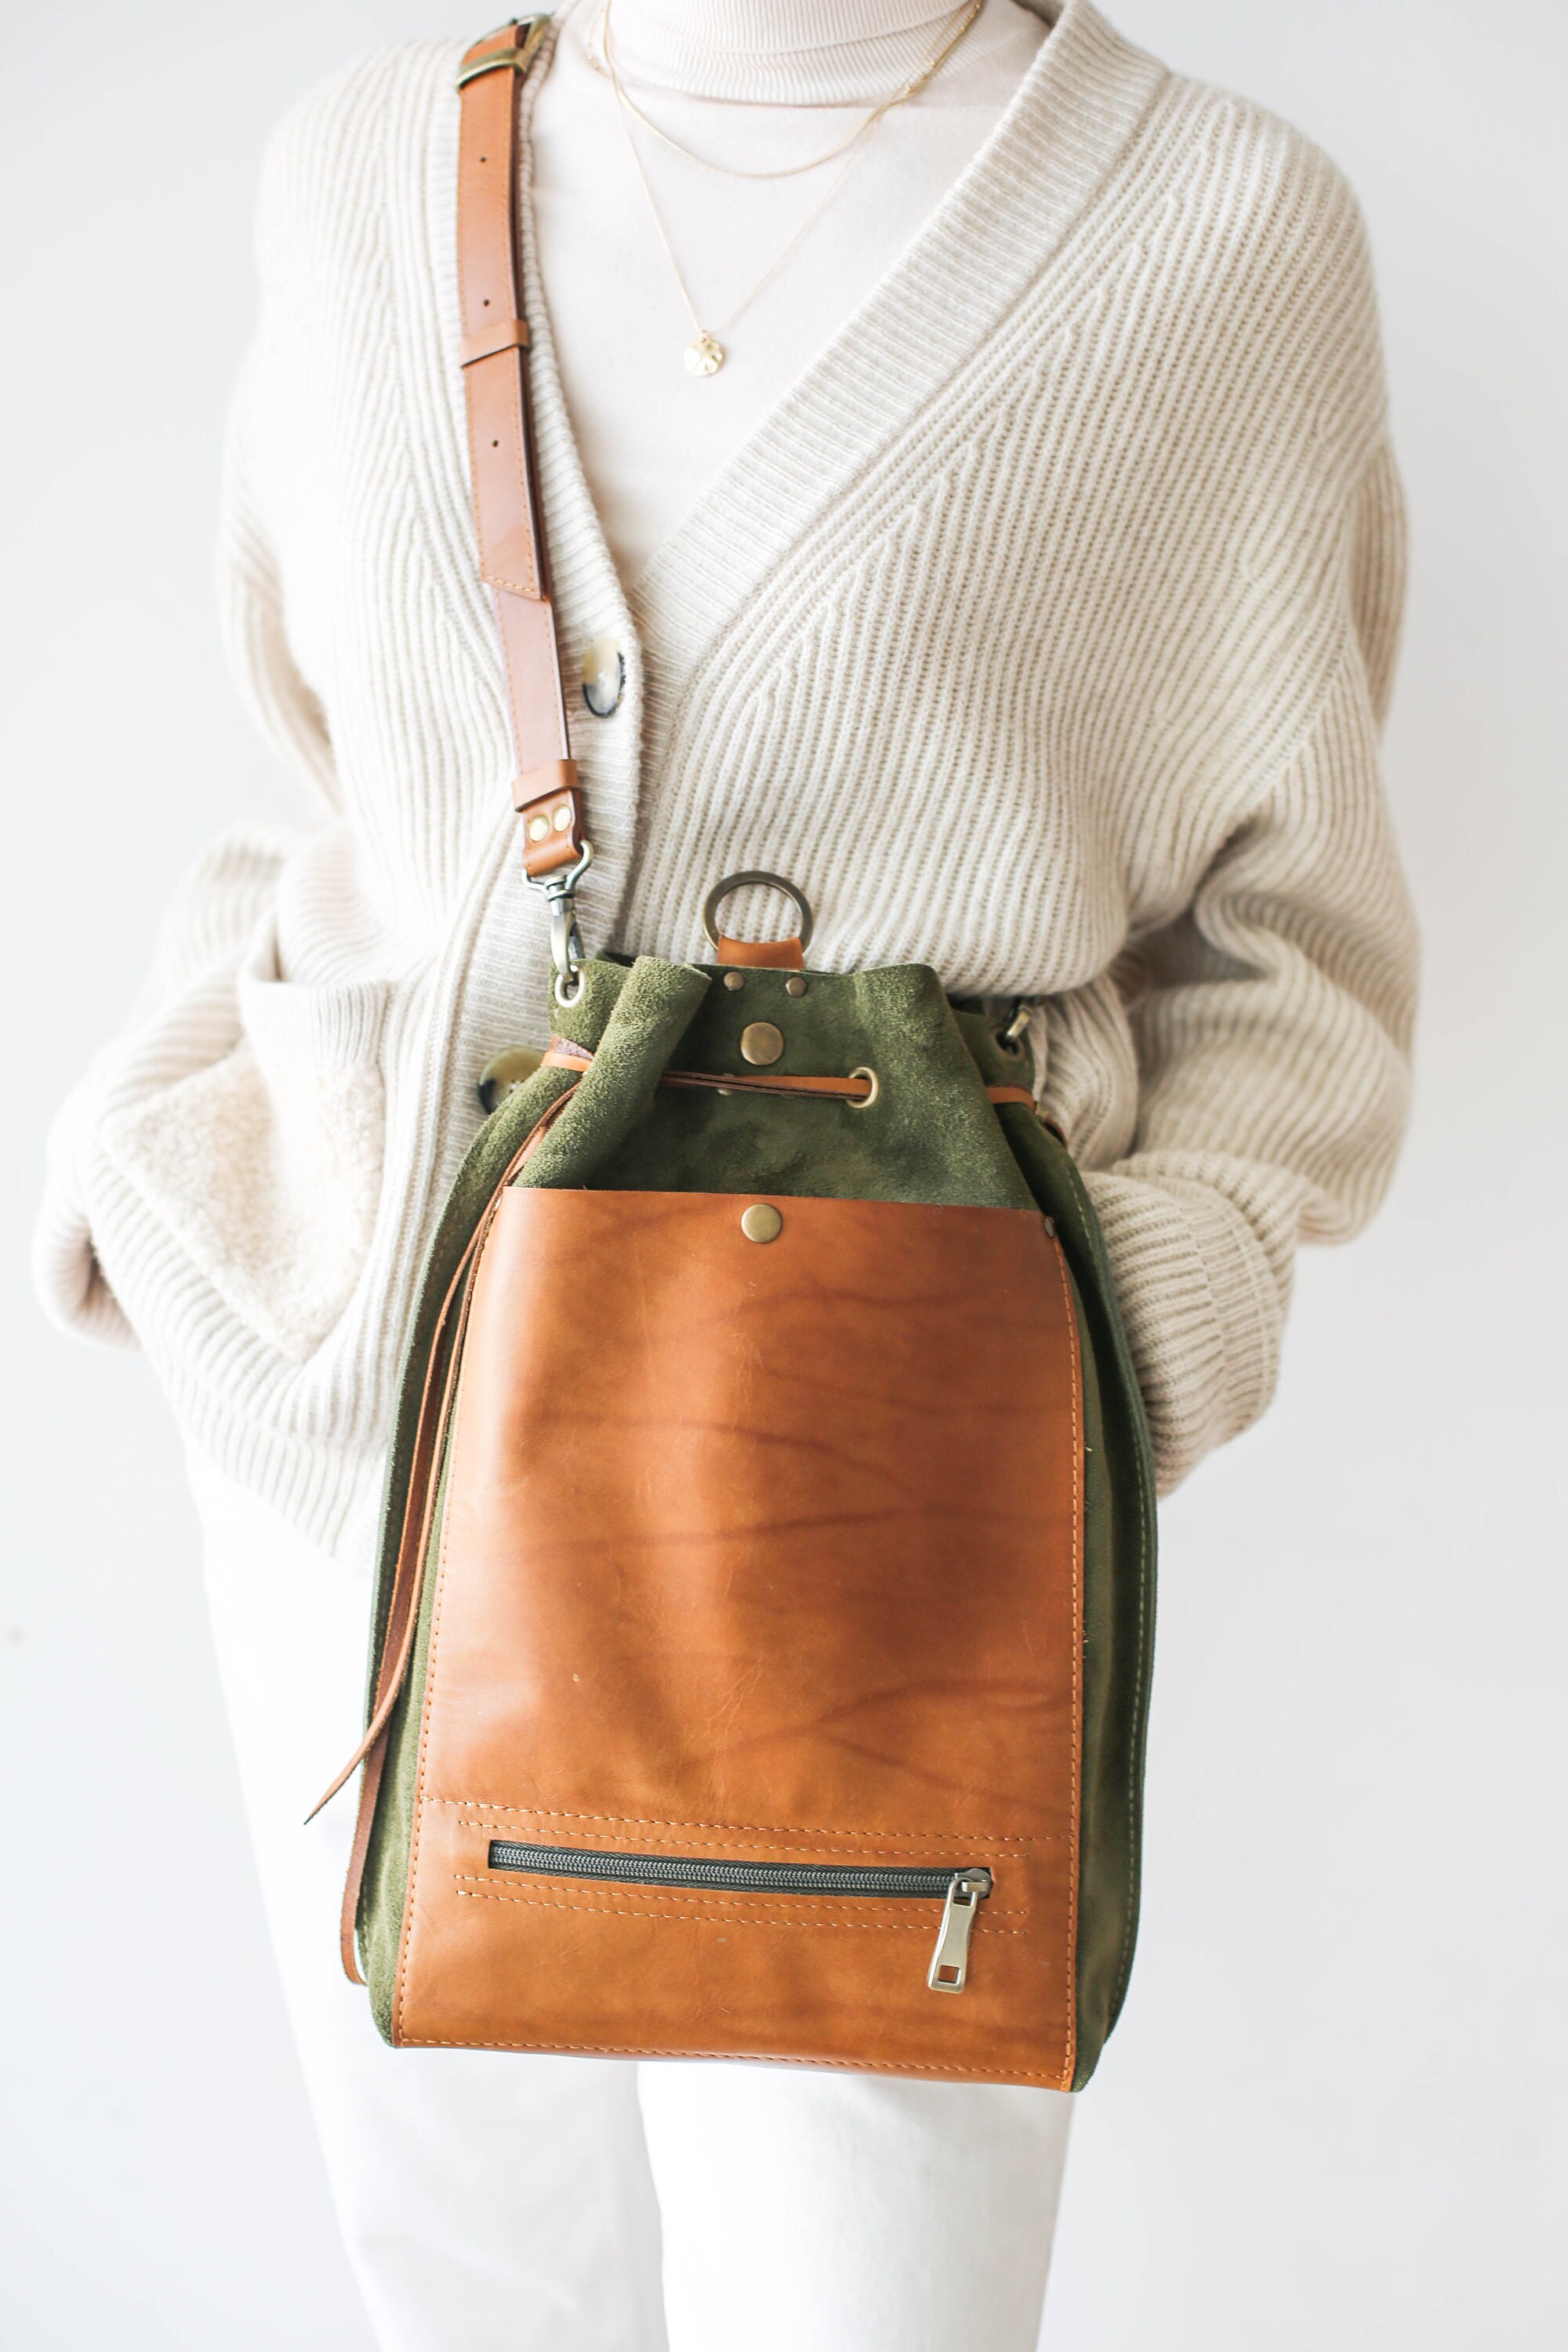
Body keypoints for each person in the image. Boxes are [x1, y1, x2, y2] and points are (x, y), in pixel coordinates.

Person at [32, 3, 1417, 2346]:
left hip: (875, 1480)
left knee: (866, 2306)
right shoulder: (365, 158)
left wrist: (1101, 1354)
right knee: (470, 2286)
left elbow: (1298, 961)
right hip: (349, 1416)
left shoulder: (1225, 233)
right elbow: (344, 775)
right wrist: (158, 1143)